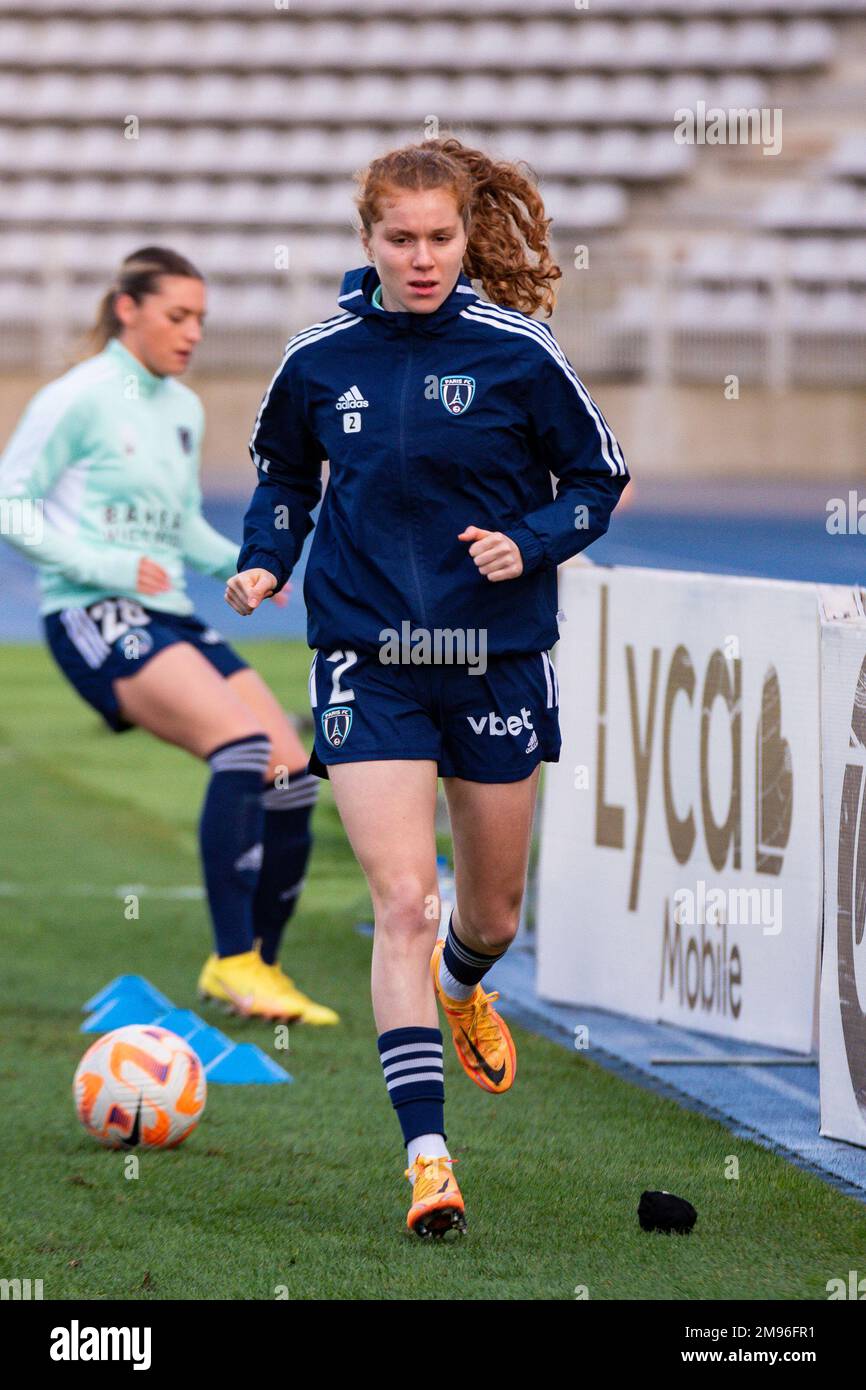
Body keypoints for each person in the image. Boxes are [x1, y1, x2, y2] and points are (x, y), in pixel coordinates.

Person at [226, 137, 630, 1236]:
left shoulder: (520, 352)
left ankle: (465, 986)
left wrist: (531, 539)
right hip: (366, 658)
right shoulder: (317, 358)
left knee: (488, 916)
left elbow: (600, 477)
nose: (418, 257)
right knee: (404, 902)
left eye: (438, 238)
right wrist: (268, 554)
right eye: (397, 238)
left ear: (464, 236)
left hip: (494, 657)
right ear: (365, 239)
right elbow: (282, 475)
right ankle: (427, 1158)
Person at [0, 246, 337, 1026]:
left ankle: (262, 969)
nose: (192, 335)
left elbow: (180, 523)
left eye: (201, 321)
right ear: (129, 309)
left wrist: (254, 564)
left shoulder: (182, 408)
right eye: (177, 316)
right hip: (91, 614)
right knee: (243, 749)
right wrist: (104, 561)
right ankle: (230, 960)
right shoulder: (76, 397)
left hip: (164, 616)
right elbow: (11, 503)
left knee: (290, 767)